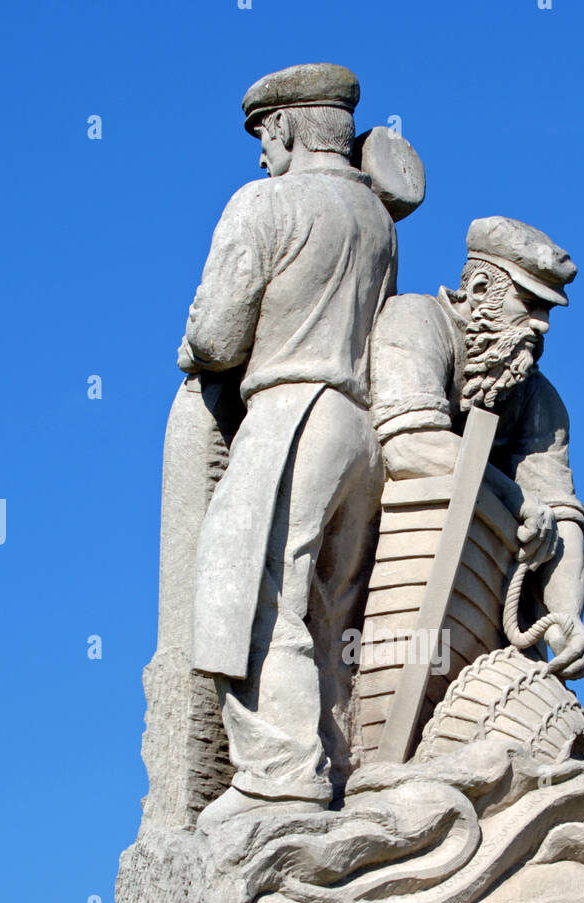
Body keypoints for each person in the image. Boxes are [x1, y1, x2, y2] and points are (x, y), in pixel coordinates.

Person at [176, 64, 398, 828]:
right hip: (361, 426)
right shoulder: (377, 220)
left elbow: (217, 333)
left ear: (288, 127)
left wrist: (195, 347)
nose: (260, 152)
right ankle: (334, 768)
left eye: (264, 135)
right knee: (332, 610)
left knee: (258, 593)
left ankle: (280, 777)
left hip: (289, 413)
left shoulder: (267, 203)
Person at [369, 216, 584, 681]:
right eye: (529, 304)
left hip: (475, 601)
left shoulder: (538, 399)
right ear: (476, 290)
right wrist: (516, 502)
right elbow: (410, 446)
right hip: (370, 546)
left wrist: (566, 617)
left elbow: (562, 516)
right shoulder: (415, 320)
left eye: (550, 311)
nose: (542, 326)